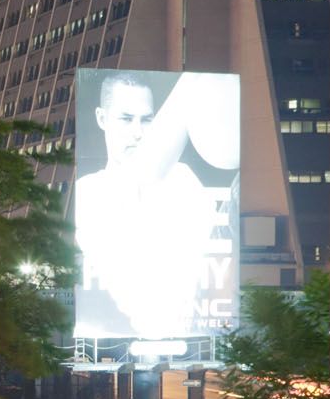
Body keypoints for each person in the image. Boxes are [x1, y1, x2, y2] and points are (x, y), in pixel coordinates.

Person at [74, 72, 228, 338]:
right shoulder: (90, 190)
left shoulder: (184, 180)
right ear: (102, 118)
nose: (138, 132)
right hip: (128, 330)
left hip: (190, 327)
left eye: (147, 120)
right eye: (126, 118)